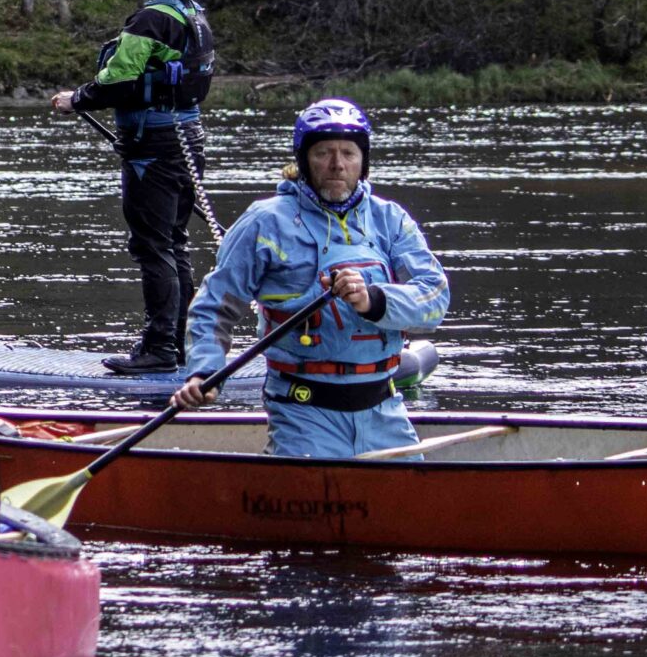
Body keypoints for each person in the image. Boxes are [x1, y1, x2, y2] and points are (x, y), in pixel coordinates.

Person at [170, 98, 450, 456]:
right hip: (303, 412)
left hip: (384, 409)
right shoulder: (264, 222)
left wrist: (373, 299)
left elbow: (434, 299)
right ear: (303, 161)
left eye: (348, 153)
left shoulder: (390, 220)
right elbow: (214, 308)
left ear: (363, 162)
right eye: (324, 153)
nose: (337, 165)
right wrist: (204, 374)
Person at [51, 0, 215, 374]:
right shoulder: (194, 15)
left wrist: (76, 100)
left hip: (155, 148)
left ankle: (161, 348)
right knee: (173, 243)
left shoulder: (149, 20)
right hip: (188, 140)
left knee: (152, 246)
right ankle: (174, 345)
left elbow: (119, 80)